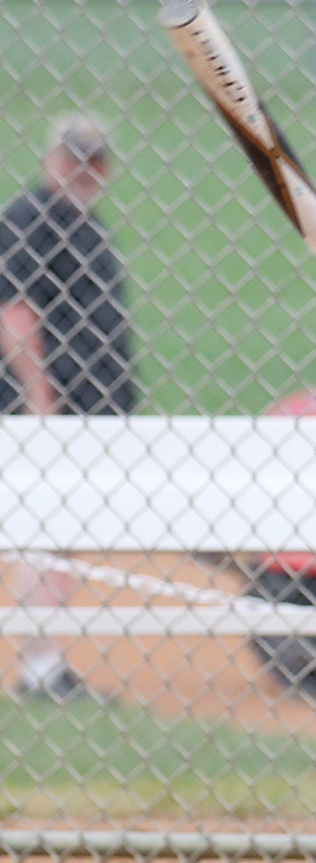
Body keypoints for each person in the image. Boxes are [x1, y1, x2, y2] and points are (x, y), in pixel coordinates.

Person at [0, 114, 137, 700]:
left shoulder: (85, 224)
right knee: (43, 532)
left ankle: (46, 662)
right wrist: (39, 398)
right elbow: (15, 310)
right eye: (75, 158)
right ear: (52, 159)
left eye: (96, 161)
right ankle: (42, 667)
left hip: (85, 407)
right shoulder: (29, 218)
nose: (86, 170)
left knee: (59, 533)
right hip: (47, 409)